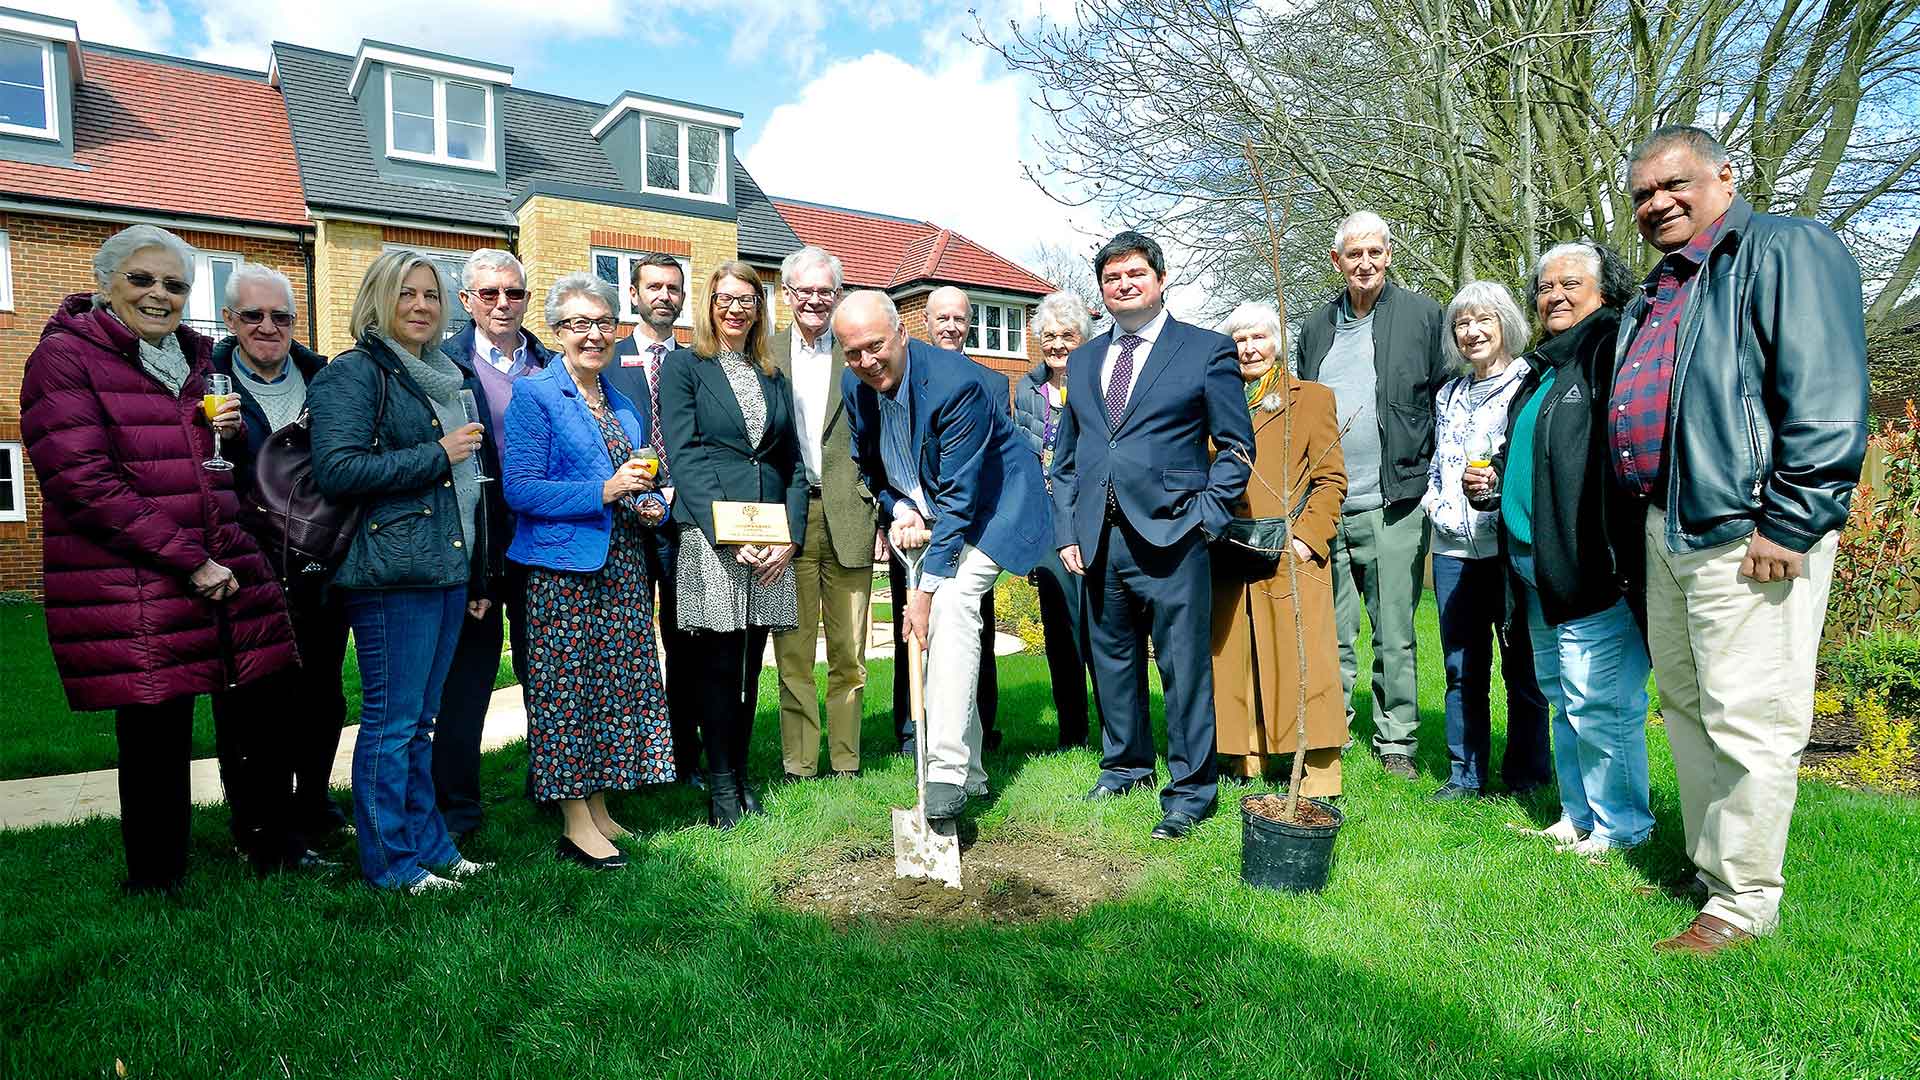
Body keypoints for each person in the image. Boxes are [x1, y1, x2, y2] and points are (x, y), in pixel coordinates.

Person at [1612, 126, 1867, 954]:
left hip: (1748, 527)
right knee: (1689, 708)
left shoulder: (1784, 250)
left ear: (1726, 176)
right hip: (1670, 525)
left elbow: (1825, 391)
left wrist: (1791, 520)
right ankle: (1711, 868)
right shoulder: (1661, 287)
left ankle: (1743, 902)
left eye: (1673, 184)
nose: (1657, 203)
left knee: (1748, 714)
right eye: (1643, 194)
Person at [20, 225, 298, 893]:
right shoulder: (64, 357)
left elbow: (196, 466)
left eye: (175, 284)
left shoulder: (191, 359)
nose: (159, 294)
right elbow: (81, 482)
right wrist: (189, 559)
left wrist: (226, 434)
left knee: (261, 704)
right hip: (135, 577)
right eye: (142, 279)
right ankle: (156, 879)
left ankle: (269, 845)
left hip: (221, 561)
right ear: (105, 282)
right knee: (155, 729)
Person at [1051, 230, 1254, 840]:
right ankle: (1125, 768)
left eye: (1135, 273)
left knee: (1183, 667)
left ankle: (1191, 791)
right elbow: (1067, 459)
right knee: (1112, 660)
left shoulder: (1205, 350)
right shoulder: (1084, 360)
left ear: (1160, 280)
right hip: (1100, 536)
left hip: (1174, 534)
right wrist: (1068, 528)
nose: (1124, 284)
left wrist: (1207, 515)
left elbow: (1236, 447)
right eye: (1112, 278)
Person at [310, 248, 496, 893]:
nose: (420, 306)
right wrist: (436, 453)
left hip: (445, 566)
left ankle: (431, 847)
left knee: (420, 724)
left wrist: (476, 573)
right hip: (391, 572)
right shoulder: (355, 373)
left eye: (430, 295)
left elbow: (471, 487)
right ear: (377, 301)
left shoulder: (443, 373)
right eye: (405, 294)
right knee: (392, 725)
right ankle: (390, 863)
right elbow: (338, 470)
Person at [1468, 241, 1649, 859]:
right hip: (1532, 564)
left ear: (1604, 292)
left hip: (1587, 565)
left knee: (1600, 699)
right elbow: (1530, 454)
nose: (1556, 296)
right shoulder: (1544, 368)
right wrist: (1496, 481)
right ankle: (1578, 815)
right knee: (1563, 695)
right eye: (1546, 287)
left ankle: (1623, 826)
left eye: (1571, 284)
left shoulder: (1612, 352)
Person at [841, 291, 1049, 821]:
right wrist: (901, 507)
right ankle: (972, 774)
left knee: (951, 605)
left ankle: (946, 772)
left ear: (901, 334)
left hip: (996, 509)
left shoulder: (956, 384)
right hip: (936, 508)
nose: (866, 361)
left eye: (874, 346)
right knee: (944, 626)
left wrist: (924, 592)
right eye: (853, 352)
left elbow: (961, 498)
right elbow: (870, 469)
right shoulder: (855, 386)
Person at [504, 273, 675, 871]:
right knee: (566, 694)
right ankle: (574, 821)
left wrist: (649, 503)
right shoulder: (536, 395)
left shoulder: (620, 402)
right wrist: (604, 490)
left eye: (603, 323)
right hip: (563, 572)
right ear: (557, 332)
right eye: (579, 324)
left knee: (610, 690)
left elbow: (637, 480)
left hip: (621, 566)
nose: (593, 335)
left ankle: (599, 806)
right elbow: (520, 489)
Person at [1295, 211, 1449, 779]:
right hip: (1325, 505)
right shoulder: (1316, 327)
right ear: (1336, 260)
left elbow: (1444, 400)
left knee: (1395, 634)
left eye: (1375, 252)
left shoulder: (1423, 317)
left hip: (1395, 502)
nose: (1365, 263)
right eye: (1354, 254)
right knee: (1330, 633)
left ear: (1389, 255)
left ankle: (1396, 742)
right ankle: (1330, 733)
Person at [210, 262, 352, 858]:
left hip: (321, 562)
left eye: (282, 317)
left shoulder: (326, 378)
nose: (268, 327)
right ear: (229, 319)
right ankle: (259, 826)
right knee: (251, 702)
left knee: (322, 695)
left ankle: (313, 805)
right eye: (253, 315)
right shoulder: (206, 383)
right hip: (247, 565)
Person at [658, 261, 806, 829]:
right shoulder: (685, 366)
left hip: (770, 542)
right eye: (725, 298)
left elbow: (792, 462)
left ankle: (742, 775)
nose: (736, 309)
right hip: (714, 536)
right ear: (709, 304)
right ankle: (721, 785)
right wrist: (731, 532)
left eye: (747, 299)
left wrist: (789, 535)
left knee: (751, 665)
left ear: (760, 308)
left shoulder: (772, 374)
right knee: (717, 664)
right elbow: (685, 453)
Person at [435, 248, 553, 840]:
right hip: (474, 541)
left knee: (547, 673)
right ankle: (457, 807)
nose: (503, 303)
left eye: (515, 292)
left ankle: (553, 786)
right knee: (468, 679)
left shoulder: (549, 363)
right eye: (489, 293)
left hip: (541, 540)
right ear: (467, 301)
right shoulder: (443, 363)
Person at [1209, 302, 1348, 795]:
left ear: (1277, 343)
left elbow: (1331, 479)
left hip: (1291, 550)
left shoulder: (1311, 399)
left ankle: (1320, 770)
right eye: (1240, 340)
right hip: (1229, 549)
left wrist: (1308, 539)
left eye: (1259, 338)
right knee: (1236, 655)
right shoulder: (1214, 403)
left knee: (1303, 660)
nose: (1249, 348)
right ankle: (1246, 757)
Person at [1421, 281, 1552, 800]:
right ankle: (1465, 776)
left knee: (1523, 668)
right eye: (1462, 324)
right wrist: (1436, 505)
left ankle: (1527, 776)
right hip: (1453, 549)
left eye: (1483, 321)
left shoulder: (1530, 384)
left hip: (1507, 547)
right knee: (1462, 668)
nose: (1472, 332)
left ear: (1505, 325)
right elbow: (1439, 463)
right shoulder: (1448, 394)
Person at [767, 247, 877, 780]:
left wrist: (882, 513)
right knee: (792, 652)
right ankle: (800, 763)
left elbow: (879, 439)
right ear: (787, 294)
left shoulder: (858, 355)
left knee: (849, 652)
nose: (815, 299)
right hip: (788, 518)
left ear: (838, 295)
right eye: (805, 290)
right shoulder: (763, 354)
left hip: (851, 515)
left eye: (825, 291)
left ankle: (847, 761)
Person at [604, 252, 703, 787]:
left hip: (685, 520)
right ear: (634, 295)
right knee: (627, 640)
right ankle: (631, 758)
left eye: (673, 288)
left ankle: (684, 756)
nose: (664, 296)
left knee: (685, 639)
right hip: (624, 521)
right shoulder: (606, 358)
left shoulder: (697, 362)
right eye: (654, 287)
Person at [910, 284, 1000, 752]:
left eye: (959, 318)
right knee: (916, 622)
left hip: (974, 526)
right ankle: (914, 727)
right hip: (918, 523)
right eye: (941, 318)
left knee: (971, 623)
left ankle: (979, 725)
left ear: (969, 325)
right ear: (926, 322)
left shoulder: (992, 382)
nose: (950, 326)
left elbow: (993, 463)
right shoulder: (910, 377)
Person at [1012, 290, 1098, 748]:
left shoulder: (1099, 381)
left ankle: (1116, 728)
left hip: (1093, 516)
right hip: (1047, 521)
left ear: (1083, 338)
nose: (1058, 344)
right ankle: (1072, 731)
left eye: (1067, 335)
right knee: (1060, 630)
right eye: (1049, 336)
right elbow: (1022, 461)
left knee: (1101, 626)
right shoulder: (1027, 389)